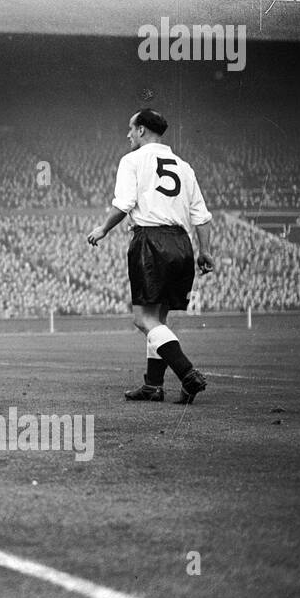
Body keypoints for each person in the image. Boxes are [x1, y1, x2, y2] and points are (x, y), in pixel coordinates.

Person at [87, 108, 215, 404]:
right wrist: (205, 251)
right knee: (159, 317)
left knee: (143, 319)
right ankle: (153, 385)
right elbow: (202, 217)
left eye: (131, 129)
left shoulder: (132, 160)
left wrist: (103, 229)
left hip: (151, 241)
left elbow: (124, 202)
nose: (128, 134)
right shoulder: (184, 166)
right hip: (182, 244)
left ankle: (187, 373)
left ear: (142, 130)